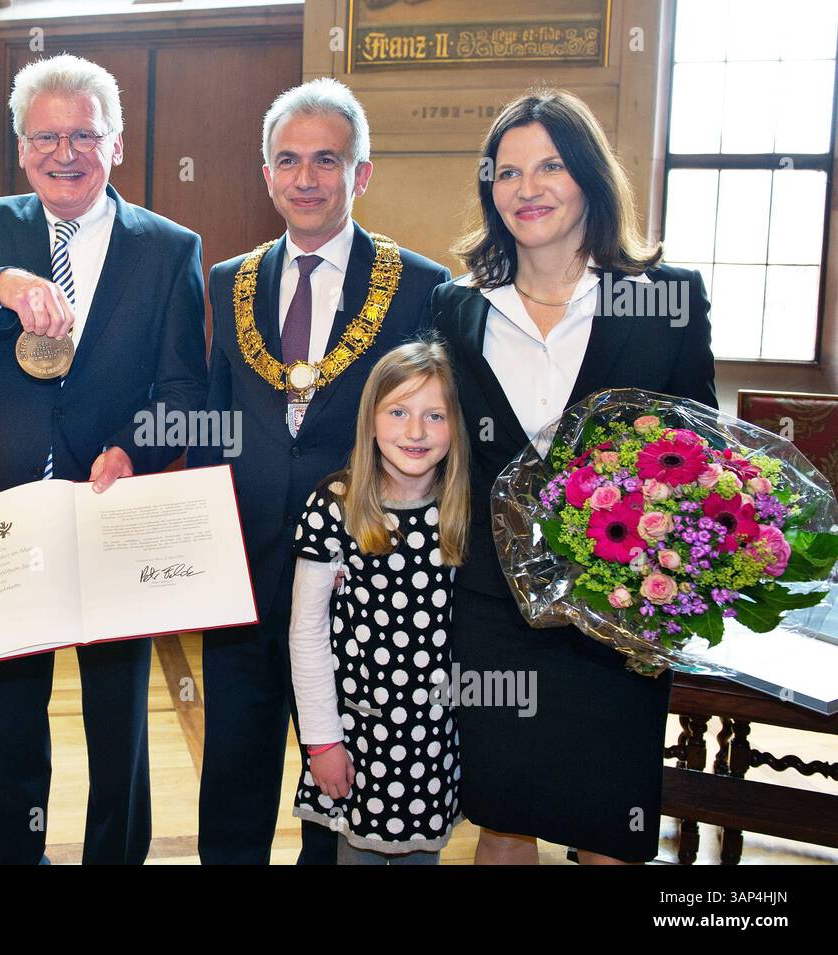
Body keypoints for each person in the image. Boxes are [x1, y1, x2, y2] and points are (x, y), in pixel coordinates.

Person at [0, 53, 206, 865]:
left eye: (85, 135)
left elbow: (184, 391)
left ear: (118, 144)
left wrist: (137, 448)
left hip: (112, 512)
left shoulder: (170, 248)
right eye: (46, 137)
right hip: (2, 513)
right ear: (22, 148)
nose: (67, 153)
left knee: (118, 720)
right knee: (15, 720)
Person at [431, 88, 717, 864]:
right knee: (501, 815)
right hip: (493, 611)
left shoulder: (667, 300)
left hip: (619, 615)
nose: (528, 189)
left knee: (610, 830)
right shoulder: (457, 308)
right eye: (508, 172)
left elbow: (701, 460)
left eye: (551, 166)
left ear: (589, 175)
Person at [190, 77, 450, 865]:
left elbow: (431, 432)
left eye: (327, 161)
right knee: (234, 764)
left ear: (360, 173)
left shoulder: (420, 285)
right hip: (242, 565)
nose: (306, 179)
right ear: (266, 172)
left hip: (361, 576)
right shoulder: (229, 279)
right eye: (289, 161)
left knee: (337, 775)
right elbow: (212, 421)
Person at [288, 341, 469, 864]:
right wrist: (321, 741)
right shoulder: (334, 507)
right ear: (369, 421)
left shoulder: (464, 510)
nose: (415, 433)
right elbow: (307, 634)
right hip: (356, 736)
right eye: (398, 412)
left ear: (456, 426)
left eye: (435, 415)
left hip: (436, 739)